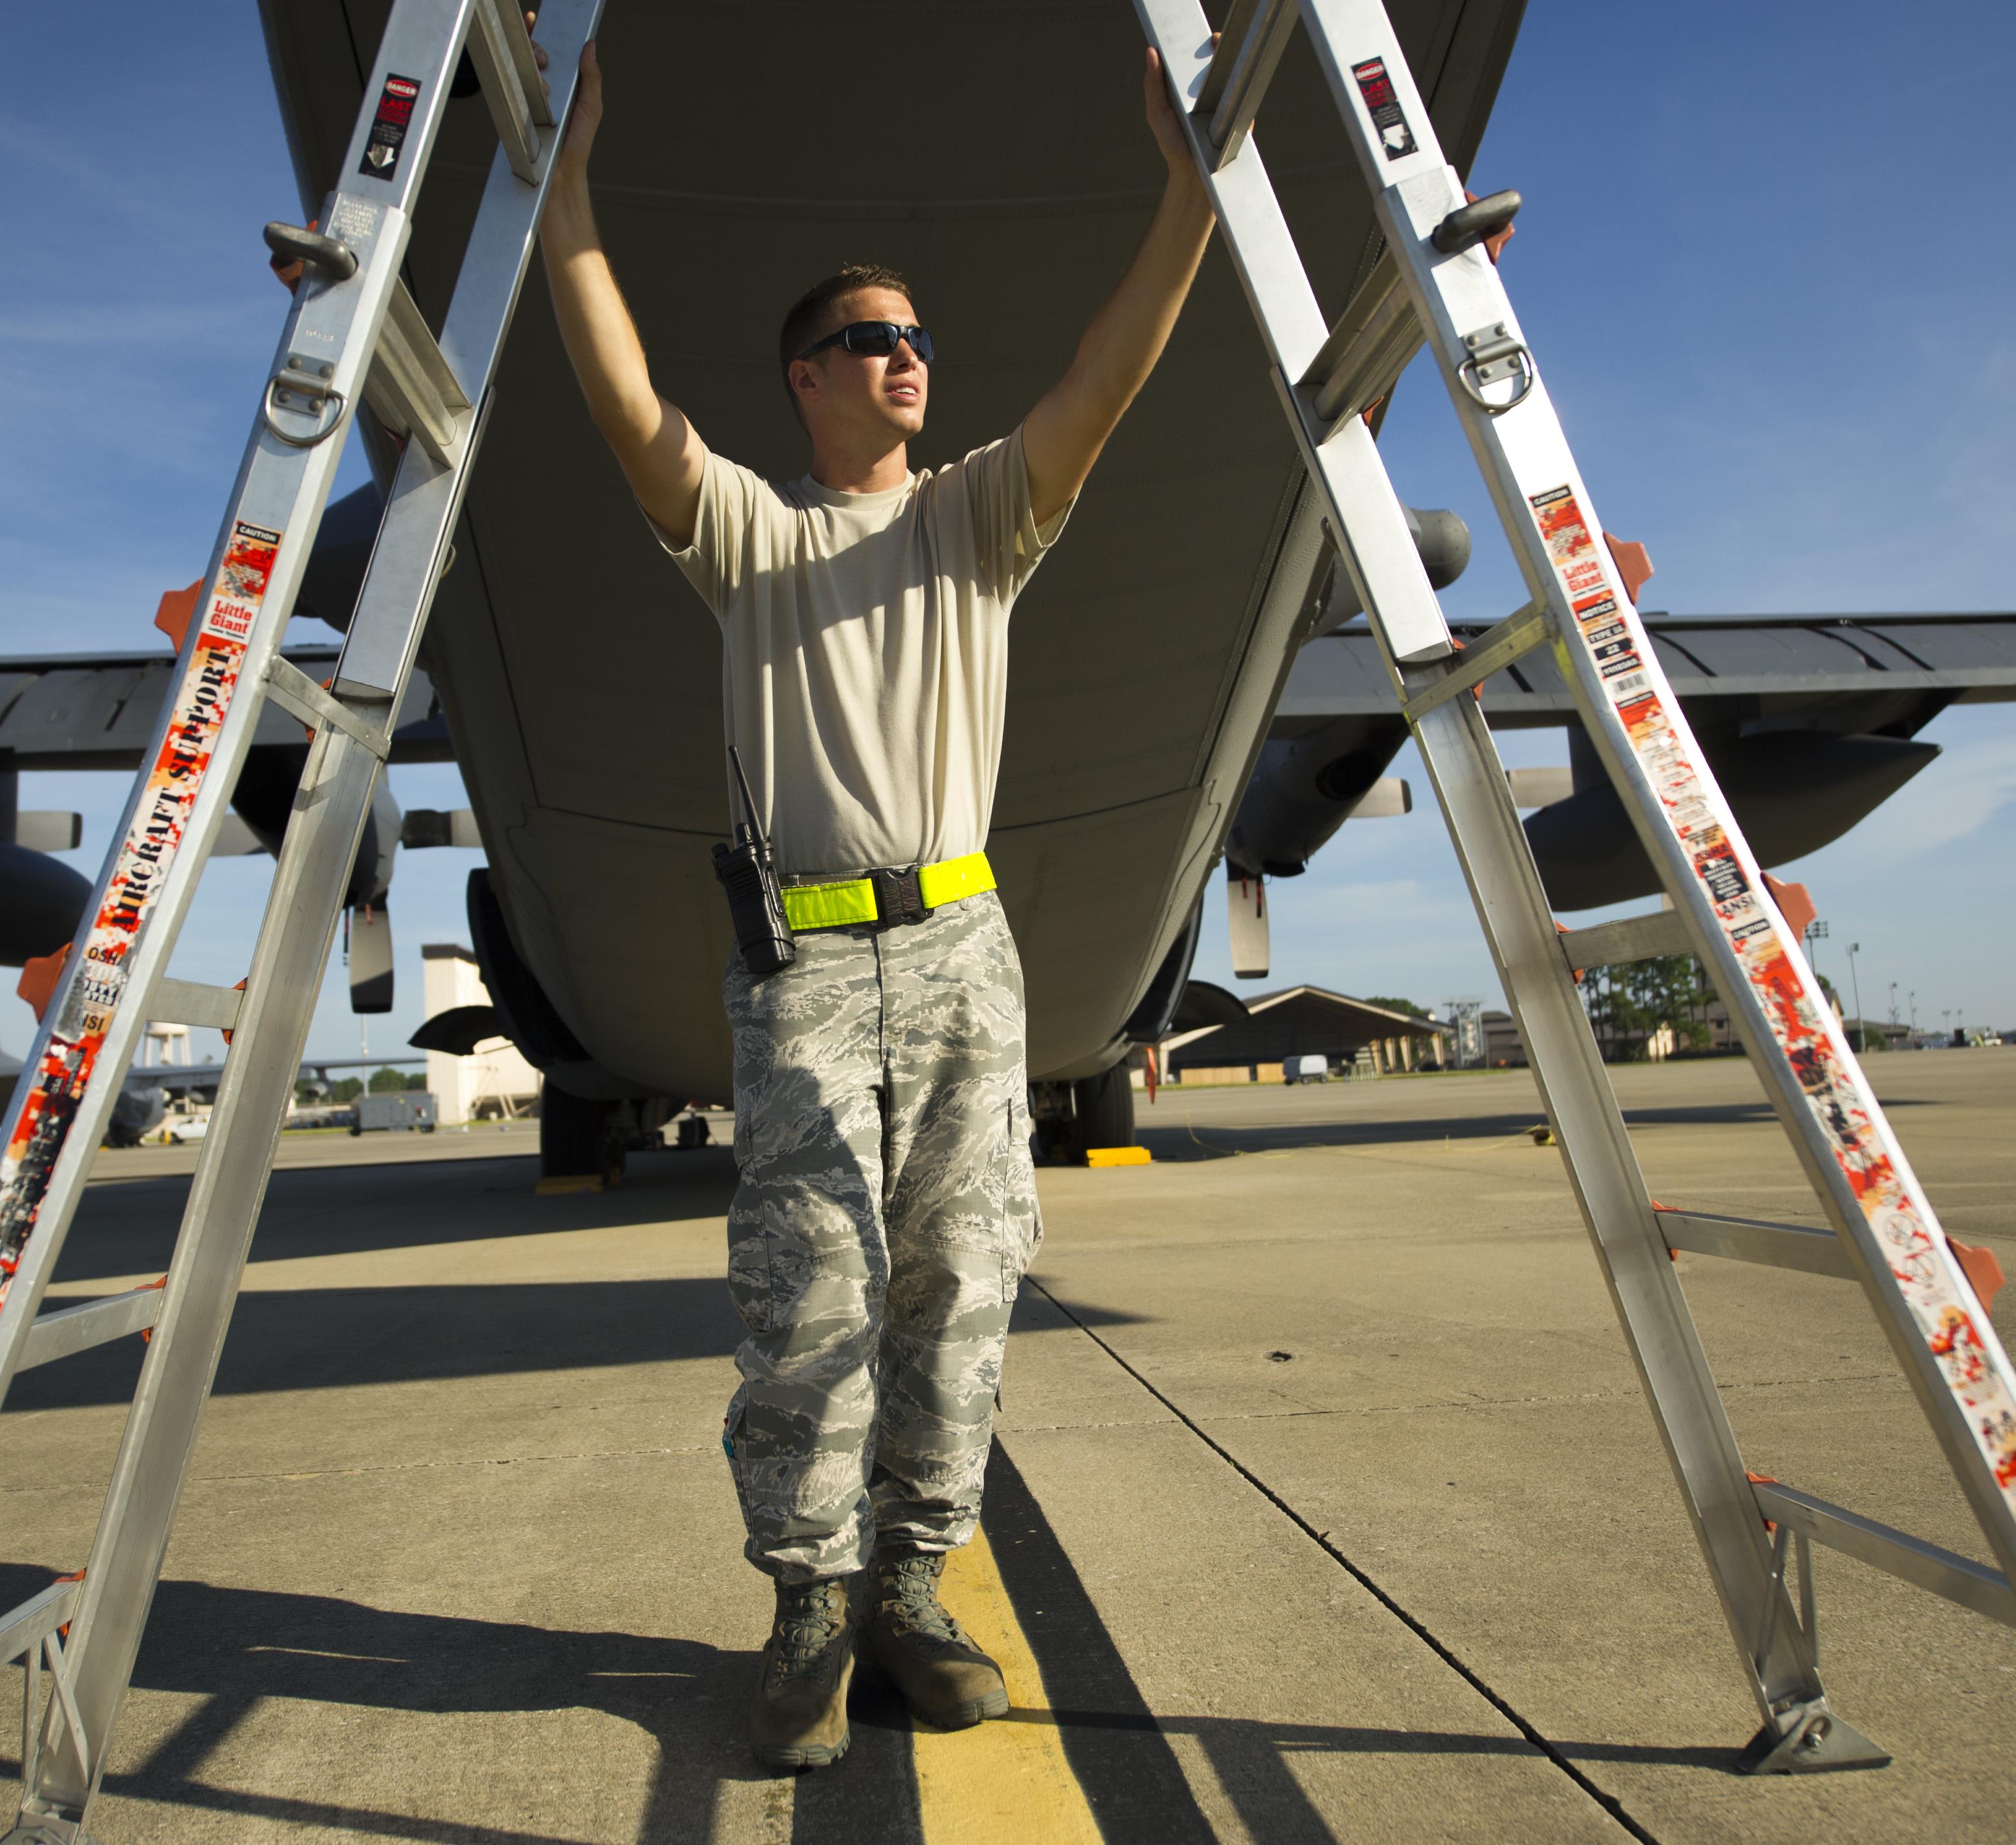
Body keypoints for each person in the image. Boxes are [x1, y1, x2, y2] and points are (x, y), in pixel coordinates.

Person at [534, 35, 1213, 1771]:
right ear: (805, 378)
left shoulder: (979, 516)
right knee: (813, 1295)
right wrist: (568, 190)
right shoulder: (751, 538)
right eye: (871, 338)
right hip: (809, 961)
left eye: (917, 336)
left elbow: (1105, 379)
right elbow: (624, 403)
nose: (908, 354)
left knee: (963, 1280)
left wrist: (1192, 192)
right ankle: (809, 1606)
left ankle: (912, 1588)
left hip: (964, 945)